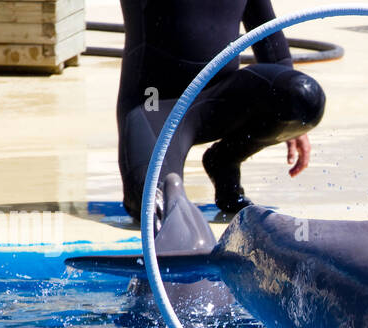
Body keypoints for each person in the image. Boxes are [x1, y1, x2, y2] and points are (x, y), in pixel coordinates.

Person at [116, 0, 326, 222]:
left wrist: (291, 121)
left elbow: (266, 31)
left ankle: (223, 161)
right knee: (156, 206)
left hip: (219, 98)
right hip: (155, 105)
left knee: (303, 97)